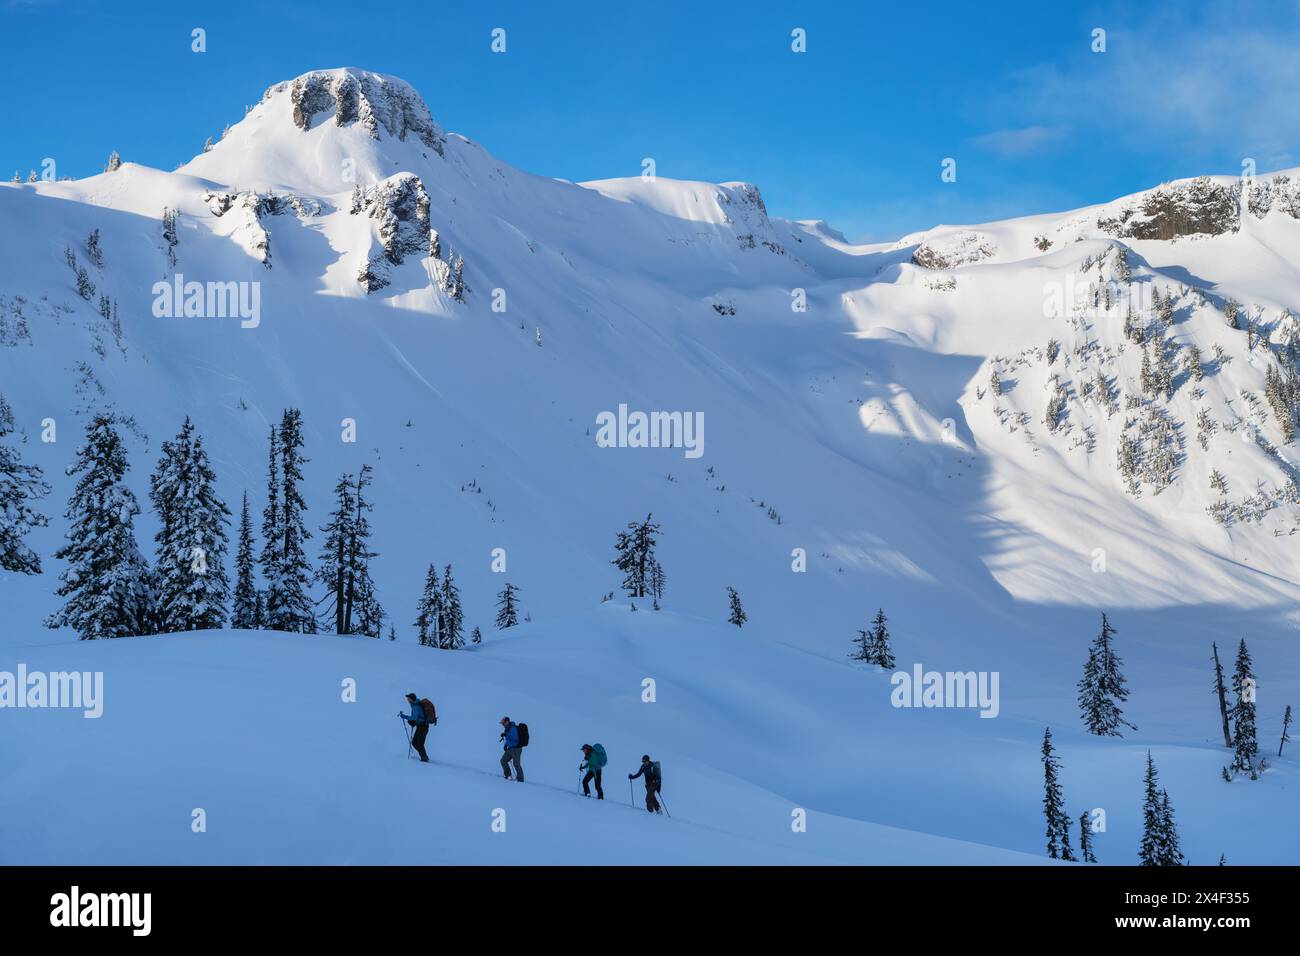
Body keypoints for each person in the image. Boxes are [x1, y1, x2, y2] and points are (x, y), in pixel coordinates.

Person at [402, 692, 432, 762]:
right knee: (415, 743)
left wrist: (405, 717)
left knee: (418, 743)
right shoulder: (416, 704)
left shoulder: (415, 706)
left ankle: (424, 758)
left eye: (408, 698)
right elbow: (418, 717)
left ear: (411, 699)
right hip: (422, 726)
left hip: (423, 726)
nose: (407, 700)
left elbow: (414, 717)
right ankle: (424, 757)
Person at [499, 716, 524, 782]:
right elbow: (509, 738)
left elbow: (515, 740)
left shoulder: (513, 729)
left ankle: (520, 779)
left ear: (507, 722)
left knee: (516, 764)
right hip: (510, 749)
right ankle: (508, 775)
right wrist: (506, 745)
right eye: (502, 723)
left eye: (503, 723)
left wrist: (506, 735)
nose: (502, 725)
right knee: (503, 761)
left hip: (516, 749)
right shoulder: (507, 728)